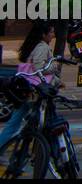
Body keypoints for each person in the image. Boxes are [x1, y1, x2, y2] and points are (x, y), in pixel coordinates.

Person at [0, 20, 57, 149]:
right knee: (48, 121)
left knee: (14, 123)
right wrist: (54, 67)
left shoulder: (31, 46)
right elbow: (38, 68)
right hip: (36, 92)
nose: (53, 35)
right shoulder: (42, 47)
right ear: (44, 34)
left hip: (26, 89)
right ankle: (48, 150)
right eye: (52, 32)